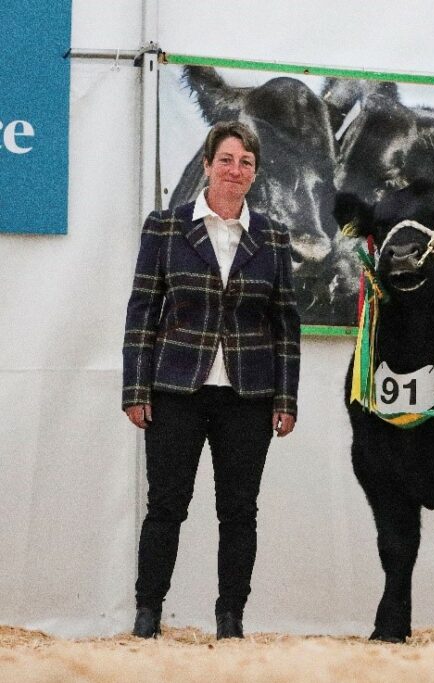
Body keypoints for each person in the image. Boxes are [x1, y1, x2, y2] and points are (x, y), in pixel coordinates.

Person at [122, 120, 301, 640]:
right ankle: (147, 613)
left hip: (249, 394)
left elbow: (284, 324)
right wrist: (136, 389)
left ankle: (230, 620)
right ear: (206, 164)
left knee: (239, 511)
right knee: (166, 505)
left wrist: (285, 398)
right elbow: (142, 312)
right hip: (176, 388)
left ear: (255, 173)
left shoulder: (272, 236)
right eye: (226, 159)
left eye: (246, 162)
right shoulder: (165, 226)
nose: (235, 170)